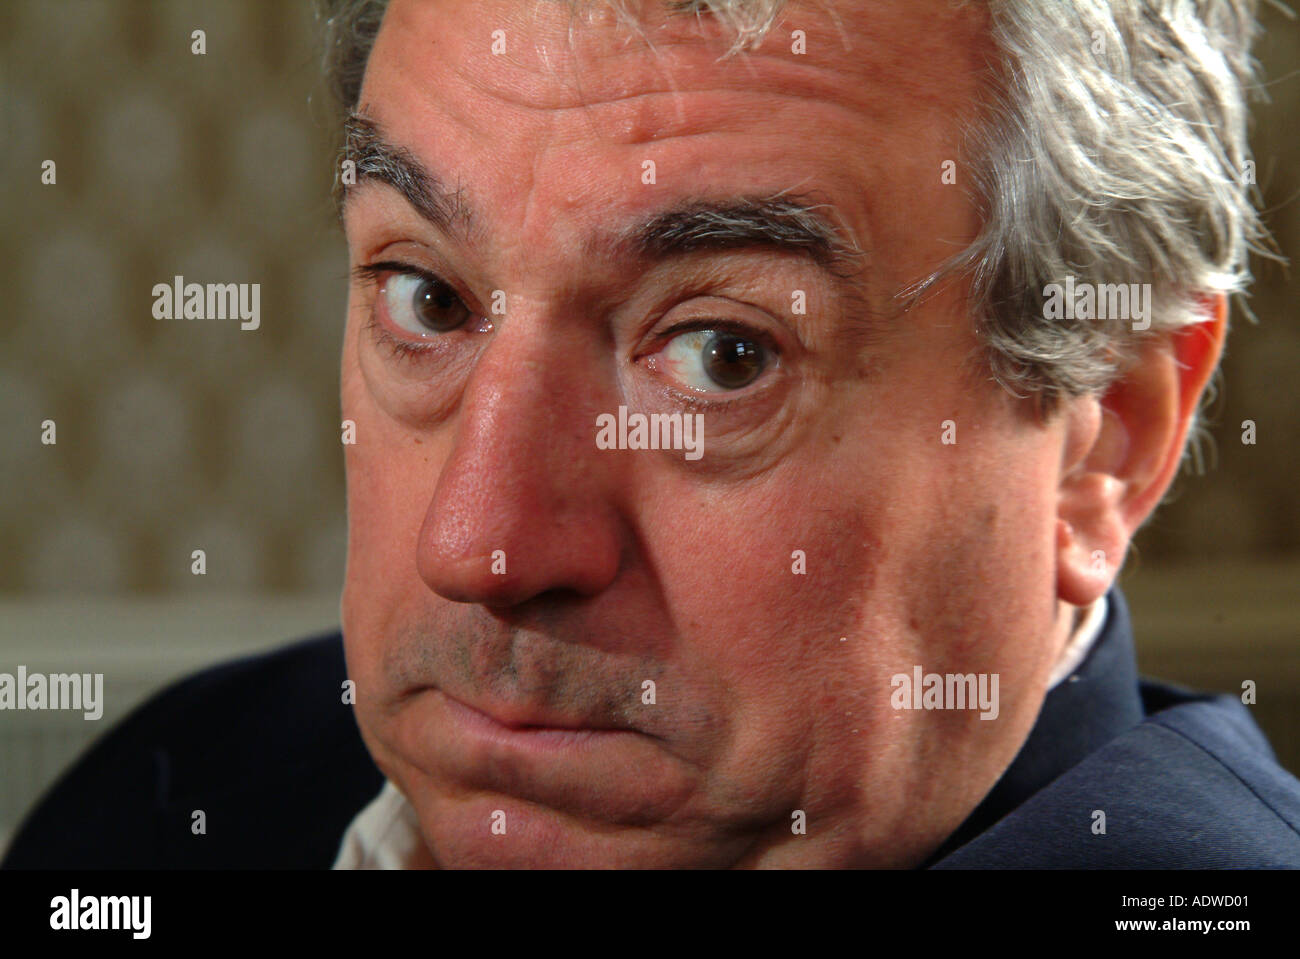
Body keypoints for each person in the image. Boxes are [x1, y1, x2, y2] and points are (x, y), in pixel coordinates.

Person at [6, 0, 1299, 869]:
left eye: (723, 355)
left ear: (1102, 448)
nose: (481, 546)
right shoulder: (166, 805)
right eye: (431, 298)